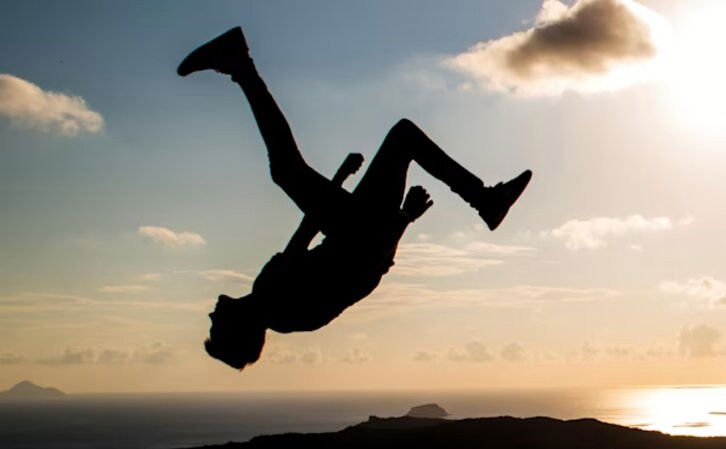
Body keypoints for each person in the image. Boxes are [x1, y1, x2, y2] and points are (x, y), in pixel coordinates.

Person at [179, 27, 532, 369]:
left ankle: (485, 200)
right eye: (215, 327)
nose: (210, 316)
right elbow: (363, 279)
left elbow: (306, 232)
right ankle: (240, 65)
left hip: (351, 224)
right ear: (237, 329)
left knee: (399, 138)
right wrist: (402, 220)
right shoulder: (291, 314)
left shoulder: (265, 291)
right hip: (364, 232)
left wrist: (340, 178)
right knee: (288, 170)